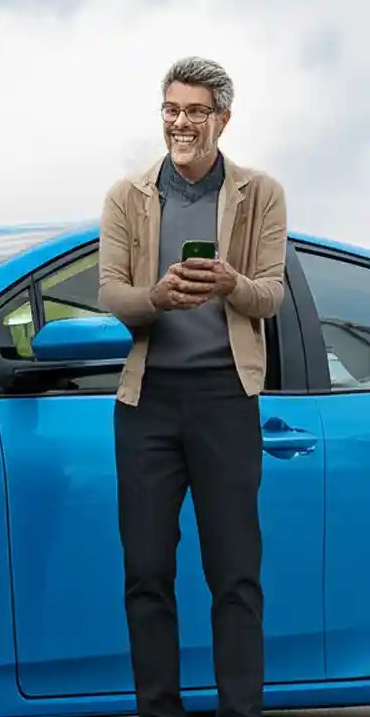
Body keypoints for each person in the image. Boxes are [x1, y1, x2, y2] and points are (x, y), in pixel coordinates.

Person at [97, 56, 288, 717]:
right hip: (146, 404)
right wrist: (156, 296)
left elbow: (270, 295)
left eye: (197, 112)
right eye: (172, 110)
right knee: (147, 573)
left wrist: (230, 283)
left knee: (235, 573)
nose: (182, 123)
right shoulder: (126, 196)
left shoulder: (261, 193)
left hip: (225, 399)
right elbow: (112, 295)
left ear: (223, 119)